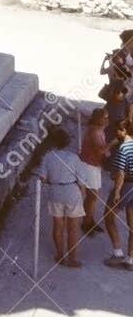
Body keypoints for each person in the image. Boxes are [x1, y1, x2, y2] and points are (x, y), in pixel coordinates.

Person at [38, 127, 88, 268]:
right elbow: (81, 180)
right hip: (72, 191)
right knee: (73, 228)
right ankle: (73, 258)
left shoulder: (48, 157)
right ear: (67, 142)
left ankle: (60, 255)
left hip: (55, 191)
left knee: (58, 226)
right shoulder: (74, 158)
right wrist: (83, 193)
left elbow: (42, 178)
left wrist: (52, 180)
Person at [104, 115, 133, 270]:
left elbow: (121, 173)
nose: (116, 133)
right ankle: (131, 259)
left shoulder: (124, 148)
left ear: (125, 131)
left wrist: (117, 192)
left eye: (119, 130)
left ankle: (117, 253)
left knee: (108, 217)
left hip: (126, 186)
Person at [80, 107, 109, 235]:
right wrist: (113, 143)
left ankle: (89, 220)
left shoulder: (99, 129)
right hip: (89, 165)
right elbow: (100, 150)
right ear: (98, 118)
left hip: (95, 165)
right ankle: (86, 222)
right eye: (104, 118)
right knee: (92, 196)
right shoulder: (94, 131)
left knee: (93, 196)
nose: (107, 120)